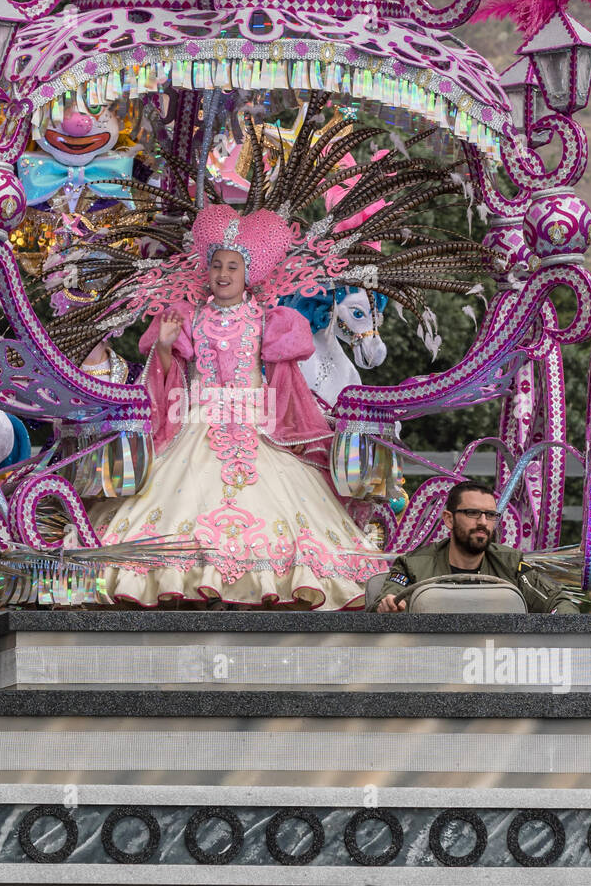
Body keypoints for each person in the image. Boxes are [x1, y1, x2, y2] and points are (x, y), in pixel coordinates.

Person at [89, 205, 384, 608]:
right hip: (196, 423)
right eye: (217, 266)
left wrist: (291, 427)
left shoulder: (270, 319)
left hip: (256, 427)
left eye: (232, 267)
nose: (223, 274)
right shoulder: (187, 317)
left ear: (248, 274)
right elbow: (166, 375)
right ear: (207, 272)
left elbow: (286, 383)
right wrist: (163, 342)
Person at [369, 480, 580, 614]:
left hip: (495, 670)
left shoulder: (511, 564)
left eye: (490, 515)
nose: (483, 522)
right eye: (472, 513)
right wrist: (387, 606)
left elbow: (558, 602)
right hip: (430, 670)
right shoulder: (412, 565)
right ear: (449, 519)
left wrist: (557, 621)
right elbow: (383, 603)